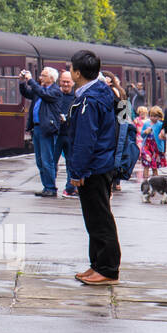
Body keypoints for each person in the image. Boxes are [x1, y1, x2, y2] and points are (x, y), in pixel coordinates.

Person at [66, 49, 122, 285]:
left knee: (99, 218)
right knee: (94, 217)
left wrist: (76, 172)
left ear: (77, 73)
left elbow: (85, 139)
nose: (69, 72)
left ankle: (108, 268)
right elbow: (123, 120)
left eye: (71, 68)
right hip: (102, 163)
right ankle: (97, 264)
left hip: (94, 167)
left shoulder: (89, 99)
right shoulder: (105, 92)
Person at [20, 66, 64, 197]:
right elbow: (28, 93)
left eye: (43, 76)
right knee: (39, 161)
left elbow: (44, 95)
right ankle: (46, 186)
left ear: (51, 78)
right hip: (37, 128)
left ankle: (51, 187)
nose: (40, 78)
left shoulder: (55, 91)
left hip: (47, 129)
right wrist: (23, 82)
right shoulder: (40, 90)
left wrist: (31, 80)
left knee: (47, 159)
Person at [56, 70, 77, 196]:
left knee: (71, 162)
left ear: (72, 83)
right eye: (63, 81)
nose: (65, 84)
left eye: (68, 82)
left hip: (70, 134)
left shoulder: (76, 97)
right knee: (52, 161)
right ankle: (51, 187)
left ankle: (70, 187)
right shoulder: (55, 95)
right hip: (56, 133)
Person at [140, 106, 167, 178]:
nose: (153, 118)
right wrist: (145, 132)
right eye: (151, 116)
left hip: (156, 148)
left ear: (159, 116)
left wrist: (163, 150)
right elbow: (142, 134)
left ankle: (156, 180)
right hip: (147, 147)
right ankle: (145, 179)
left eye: (155, 116)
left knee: (154, 166)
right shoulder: (146, 124)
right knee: (146, 163)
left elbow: (163, 139)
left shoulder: (160, 125)